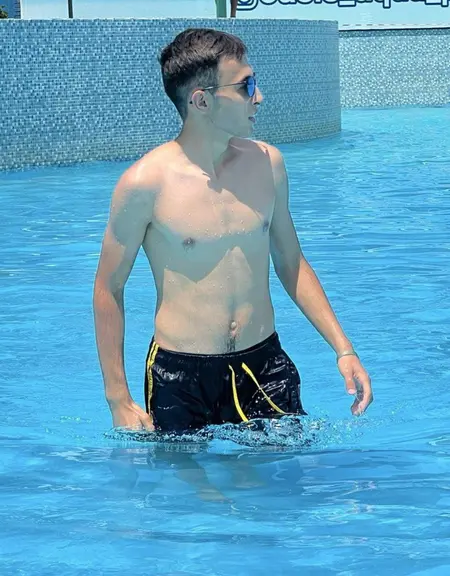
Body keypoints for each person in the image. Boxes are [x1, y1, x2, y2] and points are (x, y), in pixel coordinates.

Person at [93, 28, 373, 434]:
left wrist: (343, 349)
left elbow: (291, 262)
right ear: (202, 101)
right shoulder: (145, 184)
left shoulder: (267, 164)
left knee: (284, 471)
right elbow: (108, 287)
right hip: (180, 376)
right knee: (185, 476)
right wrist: (117, 398)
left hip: (263, 364)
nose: (258, 97)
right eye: (246, 86)